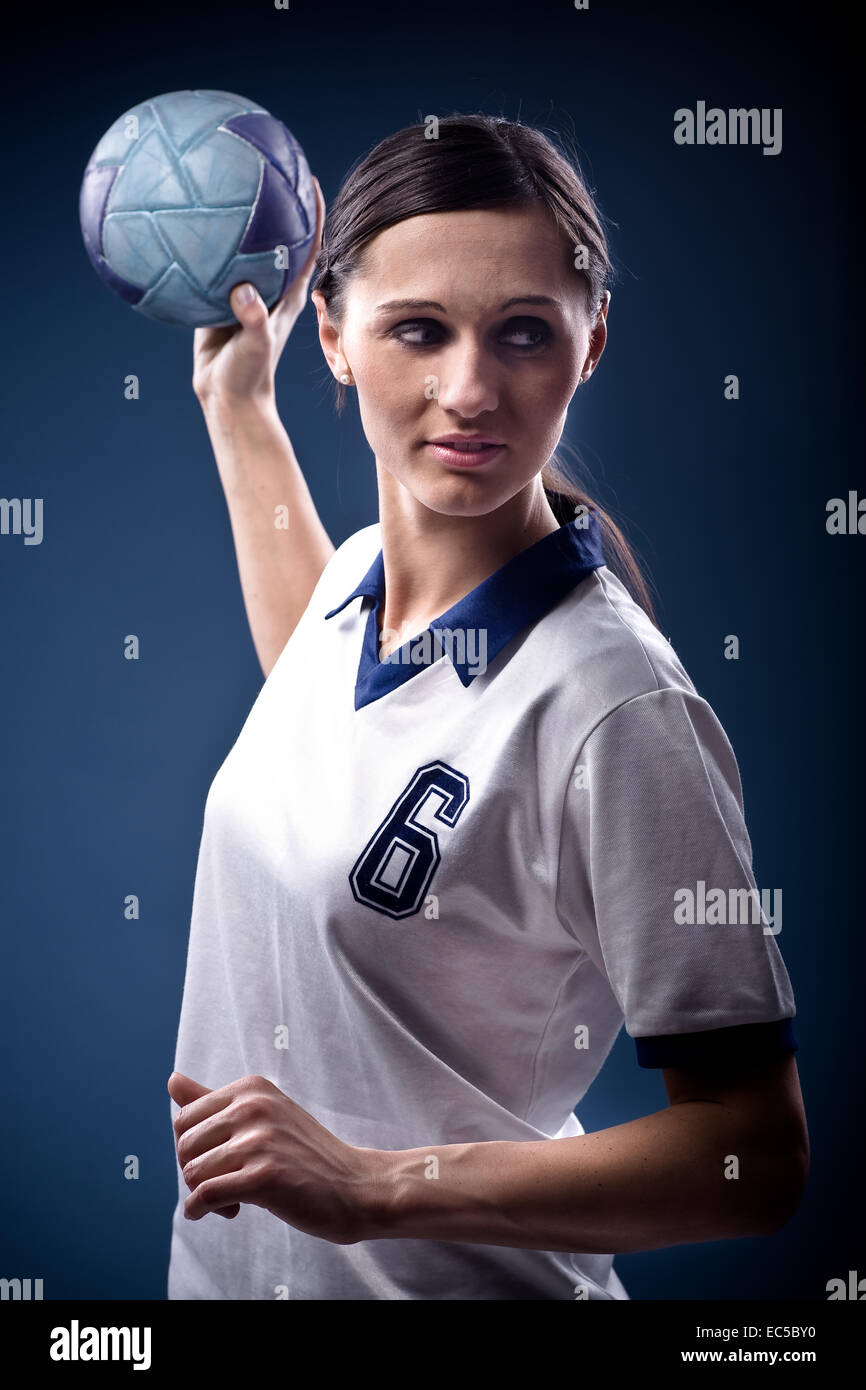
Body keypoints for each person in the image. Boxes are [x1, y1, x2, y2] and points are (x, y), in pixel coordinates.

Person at [166, 114, 808, 1300]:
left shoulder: (614, 708)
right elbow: (328, 720)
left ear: (591, 342)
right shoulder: (352, 583)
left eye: (523, 333)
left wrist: (373, 1185)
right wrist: (235, 406)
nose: (468, 391)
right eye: (417, 329)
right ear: (335, 338)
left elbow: (751, 1155)